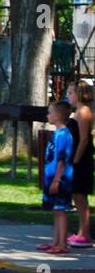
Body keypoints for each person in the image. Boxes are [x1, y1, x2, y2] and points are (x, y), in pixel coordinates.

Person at [39, 100, 75, 254]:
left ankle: (63, 244)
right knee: (56, 210)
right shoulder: (57, 133)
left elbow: (62, 159)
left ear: (58, 115)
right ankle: (55, 241)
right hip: (52, 177)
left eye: (50, 112)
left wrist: (56, 180)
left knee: (61, 210)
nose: (48, 115)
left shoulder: (64, 135)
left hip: (60, 179)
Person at [66, 82, 94, 248]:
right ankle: (80, 232)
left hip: (81, 160)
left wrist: (75, 160)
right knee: (77, 197)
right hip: (75, 158)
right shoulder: (76, 112)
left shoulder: (83, 112)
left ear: (79, 94)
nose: (68, 95)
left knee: (81, 197)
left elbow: (83, 140)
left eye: (70, 93)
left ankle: (85, 234)